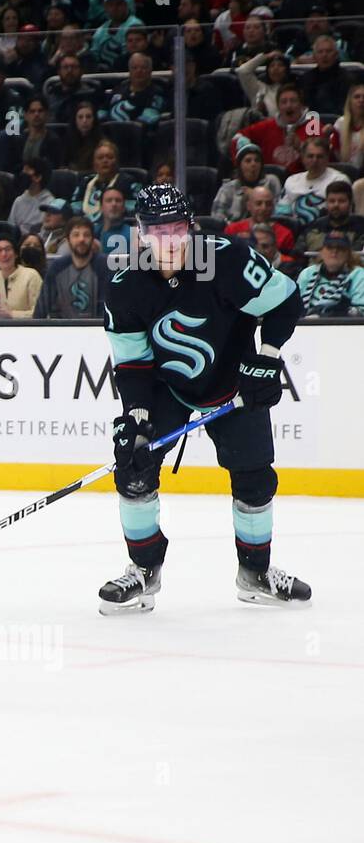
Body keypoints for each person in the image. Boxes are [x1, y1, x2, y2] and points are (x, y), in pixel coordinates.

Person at [98, 183, 309, 615]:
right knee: (134, 468)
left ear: (190, 228)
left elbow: (285, 301)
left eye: (177, 230)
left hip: (233, 381)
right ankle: (143, 571)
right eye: (157, 232)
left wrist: (267, 359)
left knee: (254, 478)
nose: (169, 242)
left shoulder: (227, 260)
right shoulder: (125, 284)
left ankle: (256, 574)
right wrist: (136, 417)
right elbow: (132, 364)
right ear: (140, 233)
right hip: (166, 385)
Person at [34, 217, 110, 319]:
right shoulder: (57, 268)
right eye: (76, 235)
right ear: (68, 239)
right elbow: (42, 308)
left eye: (86, 235)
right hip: (64, 330)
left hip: (97, 329)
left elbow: (108, 308)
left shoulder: (104, 266)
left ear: (93, 239)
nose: (81, 239)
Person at [297, 230, 364, 317]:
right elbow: (296, 306)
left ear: (348, 253)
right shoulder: (307, 273)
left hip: (342, 326)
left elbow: (361, 310)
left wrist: (333, 312)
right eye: (329, 247)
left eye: (340, 248)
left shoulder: (359, 274)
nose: (334, 252)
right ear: (322, 251)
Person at [0, 237, 43, 318]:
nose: (4, 254)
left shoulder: (31, 275)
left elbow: (40, 313)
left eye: (8, 249)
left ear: (16, 254)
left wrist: (12, 314)